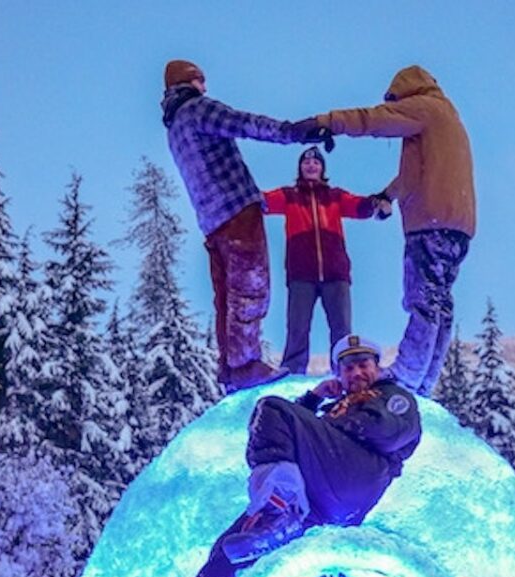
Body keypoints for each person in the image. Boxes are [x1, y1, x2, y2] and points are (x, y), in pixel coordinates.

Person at [103, 334, 422, 577]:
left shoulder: (394, 399)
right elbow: (304, 429)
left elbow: (382, 430)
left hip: (353, 481)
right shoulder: (338, 407)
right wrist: (316, 399)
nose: (356, 372)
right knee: (228, 550)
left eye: (364, 363)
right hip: (317, 500)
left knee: (272, 409)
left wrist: (316, 418)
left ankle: (278, 508)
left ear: (377, 366)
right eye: (348, 367)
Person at [160, 59, 331, 392]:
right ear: (188, 81)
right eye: (200, 80)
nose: (204, 87)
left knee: (226, 294)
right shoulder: (196, 110)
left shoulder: (174, 127)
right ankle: (246, 363)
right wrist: (293, 131)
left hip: (210, 221)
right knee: (250, 287)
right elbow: (243, 123)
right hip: (236, 209)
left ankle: (230, 366)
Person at [314, 65, 476, 397]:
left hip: (430, 222)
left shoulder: (425, 107)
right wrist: (387, 196)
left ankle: (405, 374)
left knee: (422, 298)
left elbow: (374, 120)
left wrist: (329, 121)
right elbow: (414, 175)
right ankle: (424, 380)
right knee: (439, 302)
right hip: (457, 225)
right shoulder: (447, 120)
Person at [261, 147, 385, 375]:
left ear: (322, 169)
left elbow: (359, 206)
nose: (311, 166)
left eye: (316, 163)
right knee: (298, 326)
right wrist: (241, 196)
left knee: (341, 328)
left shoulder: (334, 197)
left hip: (335, 272)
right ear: (300, 167)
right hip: (301, 273)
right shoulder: (289, 196)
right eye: (306, 163)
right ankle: (292, 370)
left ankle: (343, 370)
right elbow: (263, 202)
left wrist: (378, 202)